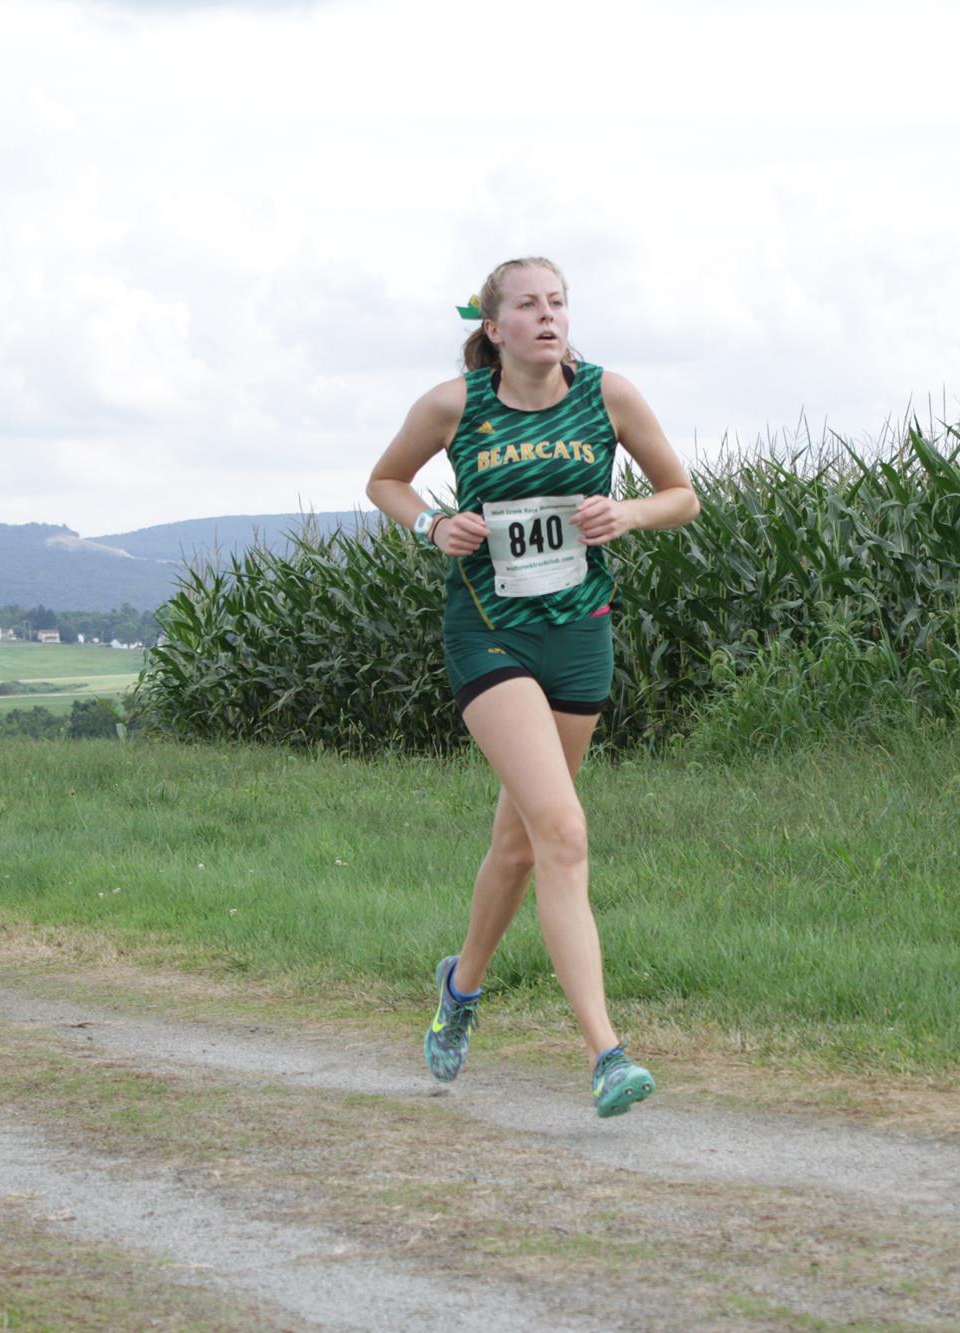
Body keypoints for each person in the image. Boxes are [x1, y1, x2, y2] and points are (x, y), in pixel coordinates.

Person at [366, 257, 700, 1118]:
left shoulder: (608, 396)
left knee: (520, 845)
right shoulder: (456, 405)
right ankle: (606, 1052)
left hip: (580, 637)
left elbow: (682, 496)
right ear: (494, 326)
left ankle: (460, 987)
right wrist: (432, 525)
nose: (547, 317)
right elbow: (386, 481)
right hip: (489, 634)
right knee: (564, 830)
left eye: (557, 303)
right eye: (528, 305)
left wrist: (626, 513)